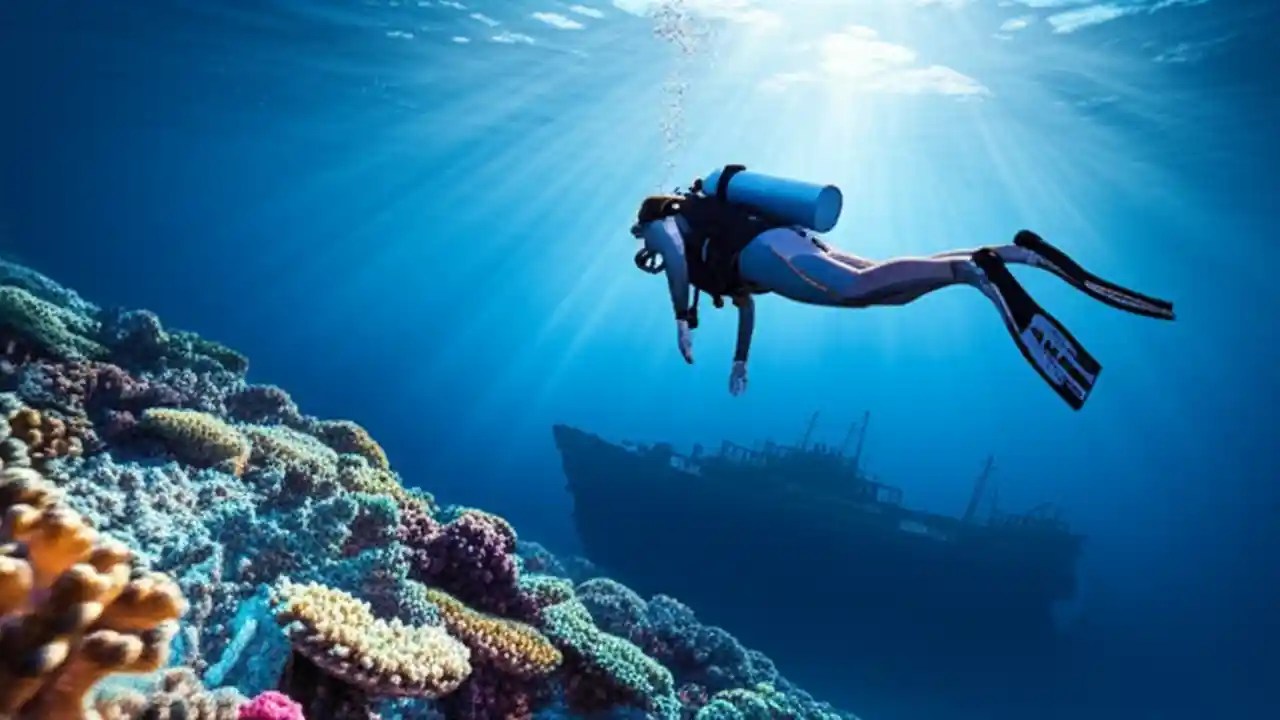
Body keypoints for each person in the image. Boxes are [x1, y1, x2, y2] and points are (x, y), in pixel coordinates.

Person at [630, 168, 1175, 410]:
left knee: (857, 288)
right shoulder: (708, 235)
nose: (649, 250)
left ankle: (980, 273)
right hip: (786, 244)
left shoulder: (664, 221)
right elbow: (745, 303)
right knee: (883, 285)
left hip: (772, 251)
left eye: (644, 240)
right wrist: (741, 360)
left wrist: (683, 317)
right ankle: (1008, 256)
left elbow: (675, 258)